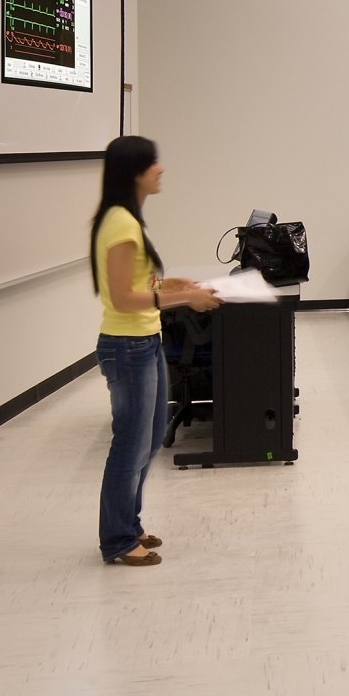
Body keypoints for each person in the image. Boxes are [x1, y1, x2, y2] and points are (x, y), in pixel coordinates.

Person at [90, 136, 221, 567]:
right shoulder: (121, 224)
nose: (160, 170)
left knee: (147, 443)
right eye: (153, 164)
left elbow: (137, 286)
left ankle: (129, 524)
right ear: (134, 174)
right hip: (127, 348)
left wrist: (175, 284)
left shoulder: (127, 218)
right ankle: (118, 540)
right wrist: (187, 300)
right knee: (130, 445)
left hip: (144, 342)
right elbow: (123, 299)